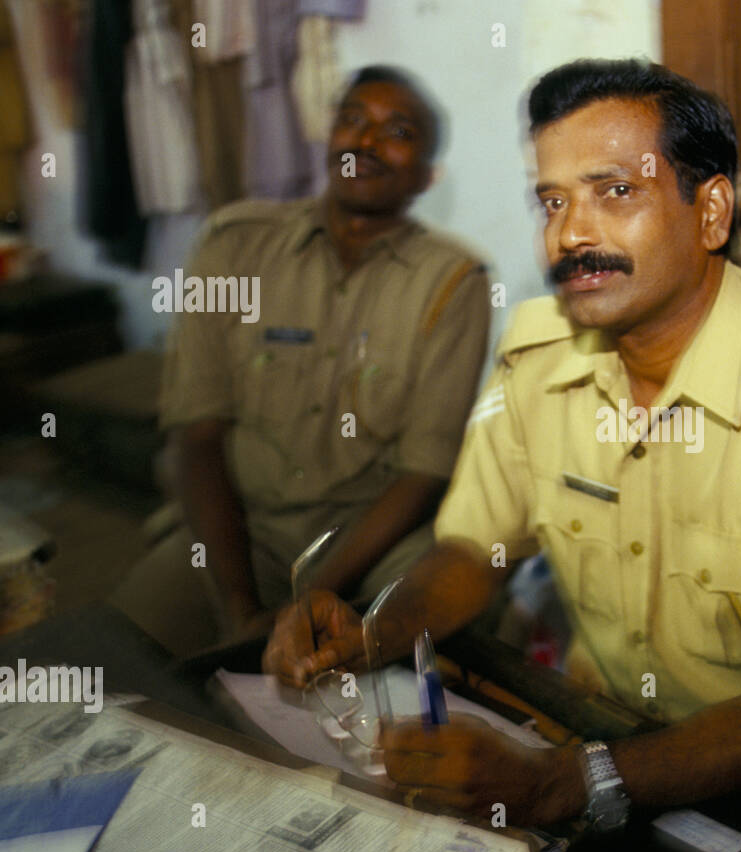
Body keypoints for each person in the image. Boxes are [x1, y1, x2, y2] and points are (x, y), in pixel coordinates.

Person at [265, 59, 741, 829]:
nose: (569, 234)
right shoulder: (539, 352)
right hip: (587, 731)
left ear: (711, 213)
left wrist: (566, 782)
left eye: (616, 192)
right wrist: (375, 632)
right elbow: (475, 550)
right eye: (553, 201)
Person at [111, 66, 491, 659]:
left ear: (425, 176)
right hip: (238, 529)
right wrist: (239, 607)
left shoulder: (453, 283)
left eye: (397, 131)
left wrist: (306, 601)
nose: (365, 142)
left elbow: (423, 473)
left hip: (368, 543)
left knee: (429, 649)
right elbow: (198, 434)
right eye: (351, 120)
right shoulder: (234, 244)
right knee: (120, 665)